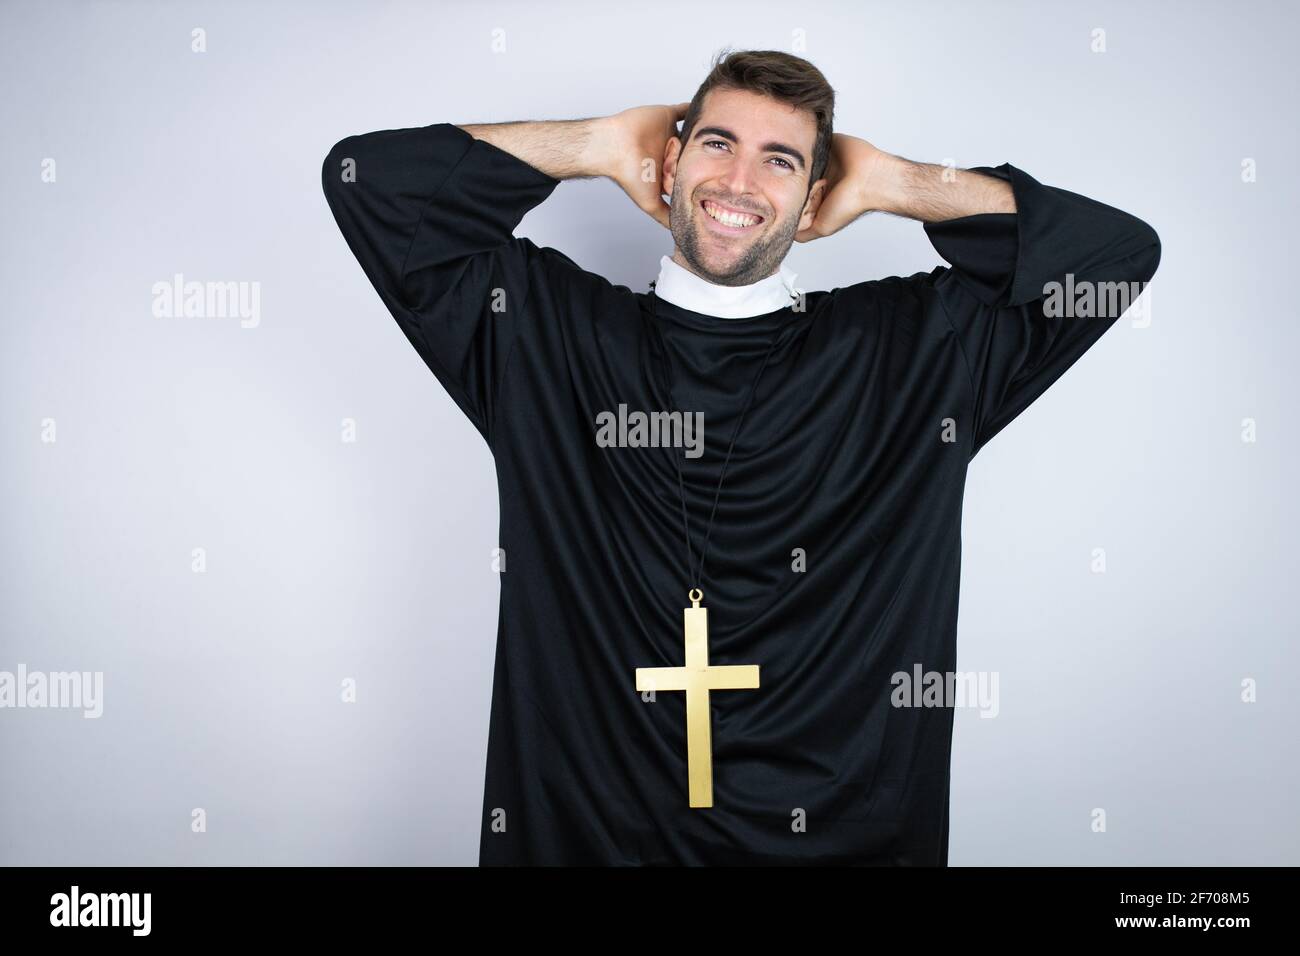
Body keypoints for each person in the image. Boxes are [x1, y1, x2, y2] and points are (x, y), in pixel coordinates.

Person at [322, 48, 1160, 865]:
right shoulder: (540, 333)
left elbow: (1116, 259)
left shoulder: (915, 353)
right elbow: (370, 180)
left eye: (781, 162)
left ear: (813, 203)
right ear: (670, 163)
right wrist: (596, 144)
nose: (739, 183)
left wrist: (896, 183)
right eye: (717, 144)